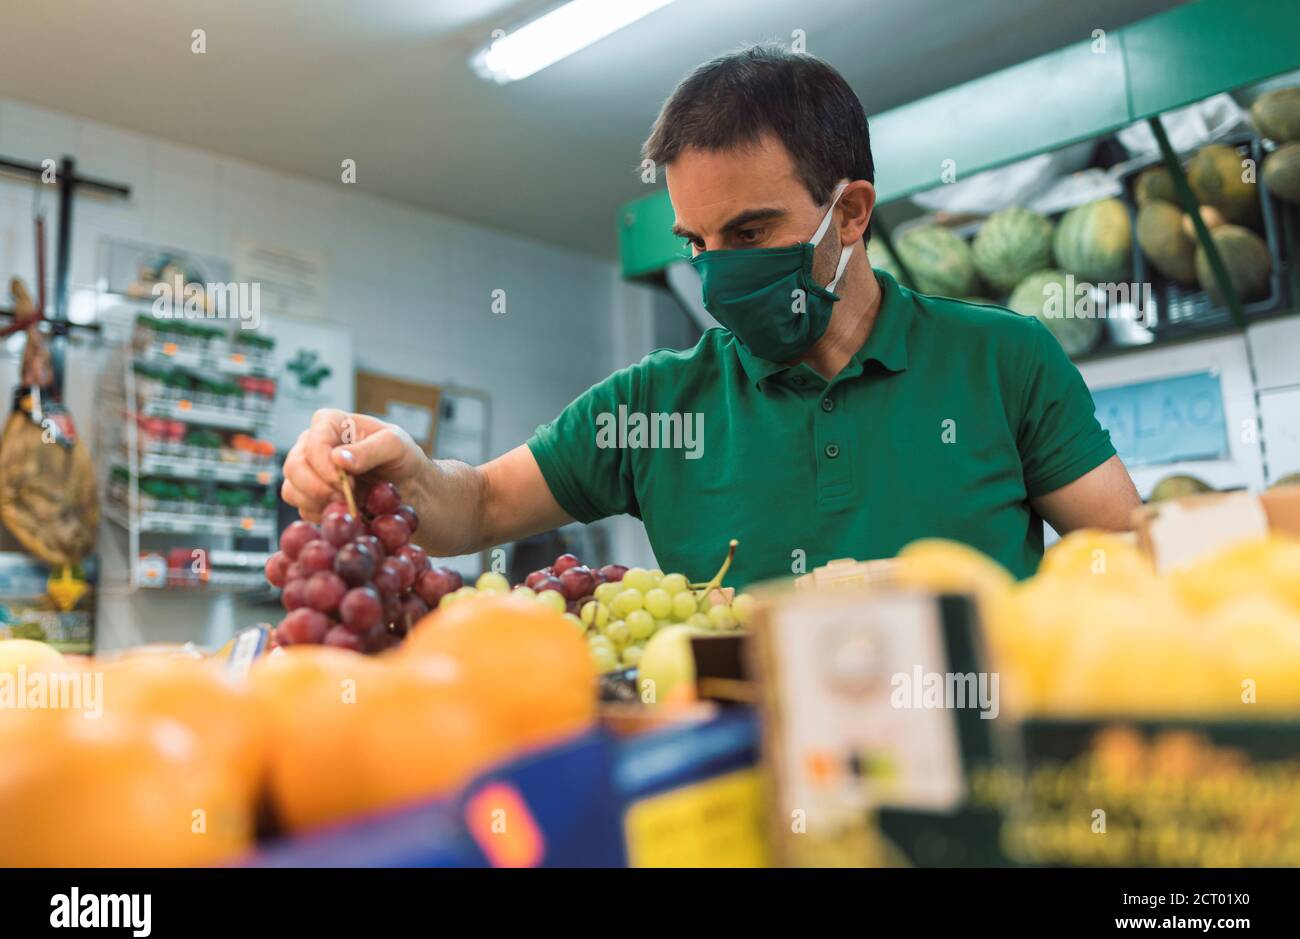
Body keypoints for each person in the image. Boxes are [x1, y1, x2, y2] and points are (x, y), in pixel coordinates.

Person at [283, 45, 1139, 588]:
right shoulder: (651, 408)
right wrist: (405, 474)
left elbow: (1130, 561)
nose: (719, 271)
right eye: (698, 241)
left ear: (850, 213)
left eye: (751, 231)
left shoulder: (1004, 359)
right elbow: (477, 509)